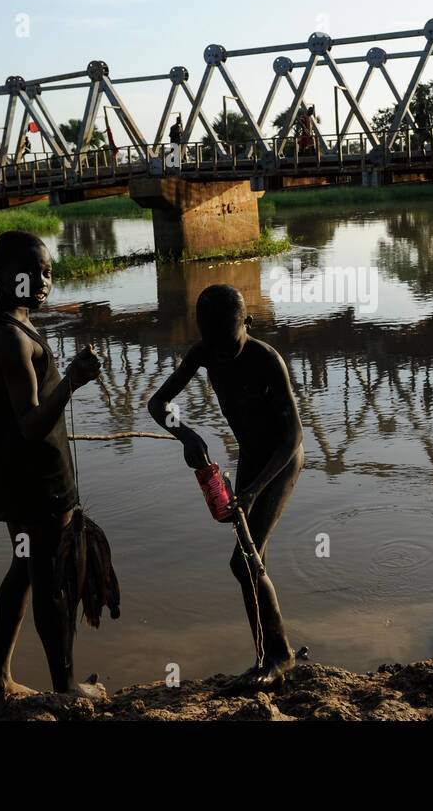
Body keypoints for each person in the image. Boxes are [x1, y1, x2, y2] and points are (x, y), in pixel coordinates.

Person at [0, 231, 105, 707]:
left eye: (47, 272)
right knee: (52, 577)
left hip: (8, 472)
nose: (41, 281)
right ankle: (67, 691)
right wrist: (72, 380)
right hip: (40, 481)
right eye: (29, 271)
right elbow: (34, 425)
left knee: (25, 567)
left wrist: (3, 429)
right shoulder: (13, 341)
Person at [147, 284, 303, 691]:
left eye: (227, 341)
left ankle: (280, 655)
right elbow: (157, 404)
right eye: (210, 341)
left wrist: (252, 491)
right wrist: (186, 435)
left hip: (280, 463)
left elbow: (294, 437)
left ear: (247, 323)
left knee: (243, 561)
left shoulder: (266, 359)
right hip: (251, 457)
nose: (219, 351)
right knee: (254, 560)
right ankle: (265, 656)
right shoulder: (204, 352)